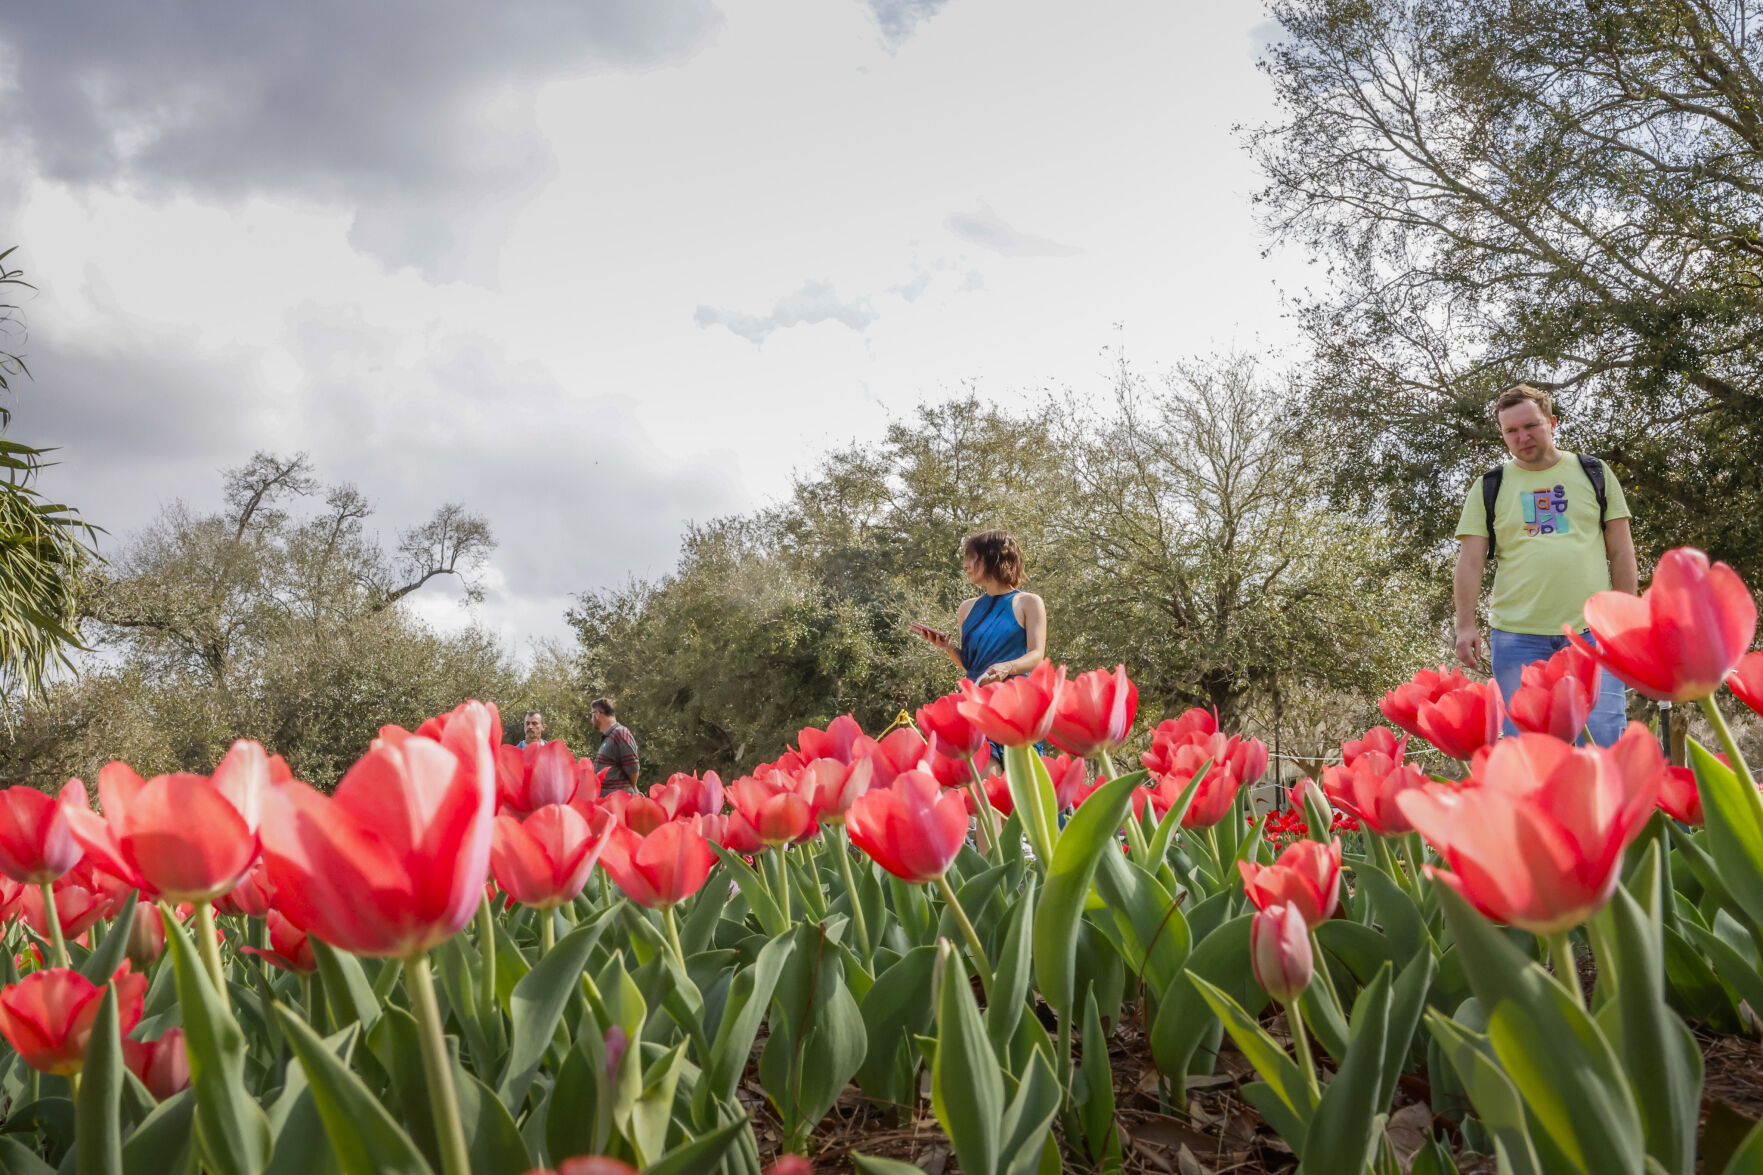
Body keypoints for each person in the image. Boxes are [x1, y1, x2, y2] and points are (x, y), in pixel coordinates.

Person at [1453, 384, 1637, 745]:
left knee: (1602, 742)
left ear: (1552, 422)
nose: (1522, 437)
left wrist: (1626, 615)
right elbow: (1470, 561)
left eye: (1531, 426)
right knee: (1526, 752)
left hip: (1592, 634)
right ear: (1502, 434)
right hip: (1517, 636)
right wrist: (1465, 625)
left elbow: (1621, 550)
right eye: (1511, 431)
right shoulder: (1490, 485)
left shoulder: (1593, 472)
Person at [915, 528, 1049, 687]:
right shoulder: (966, 608)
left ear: (993, 557)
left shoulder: (1029, 602)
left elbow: (1036, 655)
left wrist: (1007, 667)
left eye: (971, 558)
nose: (965, 565)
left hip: (1013, 697)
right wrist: (948, 647)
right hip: (975, 698)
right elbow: (971, 665)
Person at [589, 697, 641, 792]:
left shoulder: (620, 733)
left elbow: (633, 769)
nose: (591, 720)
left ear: (597, 714)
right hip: (608, 802)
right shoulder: (609, 736)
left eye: (591, 715)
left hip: (618, 803)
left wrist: (630, 789)